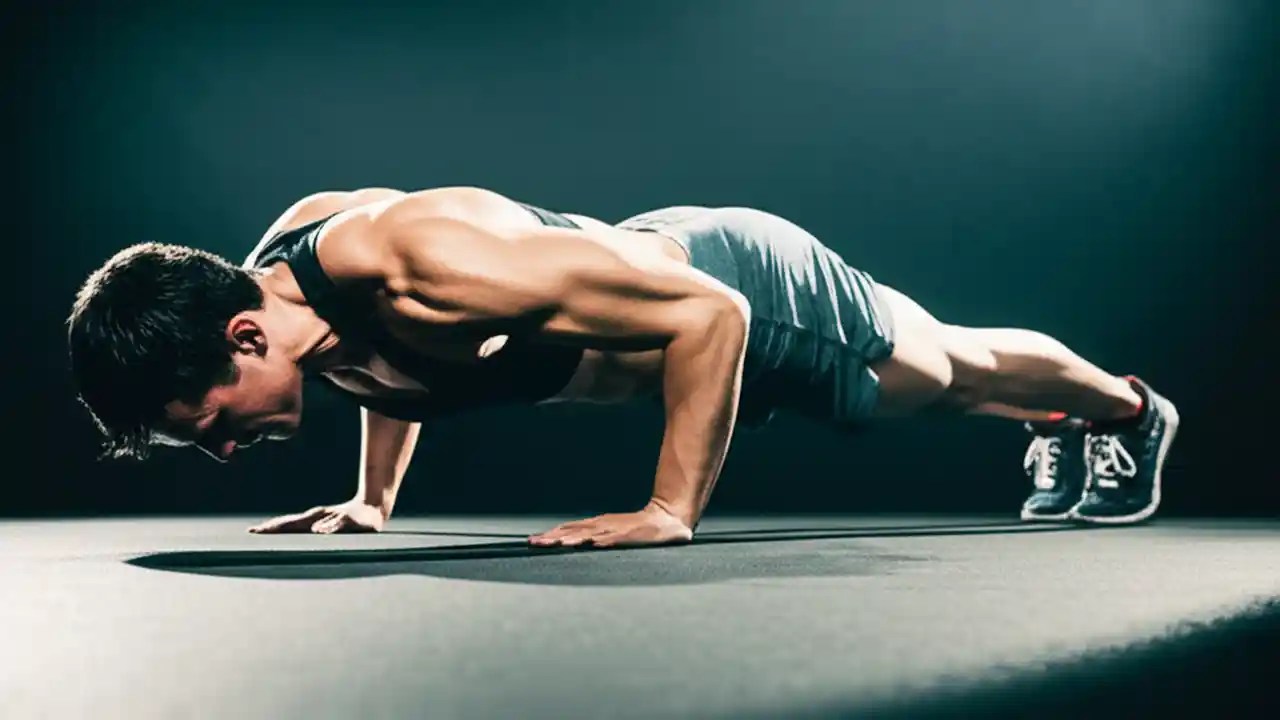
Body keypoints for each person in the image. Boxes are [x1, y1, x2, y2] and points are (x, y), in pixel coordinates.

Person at [66, 186, 1179, 547]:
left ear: (241, 340)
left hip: (743, 287)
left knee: (949, 374)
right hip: (644, 283)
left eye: (205, 419)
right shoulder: (287, 294)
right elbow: (379, 369)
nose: (216, 449)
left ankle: (1123, 410)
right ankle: (1066, 426)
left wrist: (666, 508)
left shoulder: (416, 267)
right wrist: (373, 497)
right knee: (953, 382)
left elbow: (713, 316)